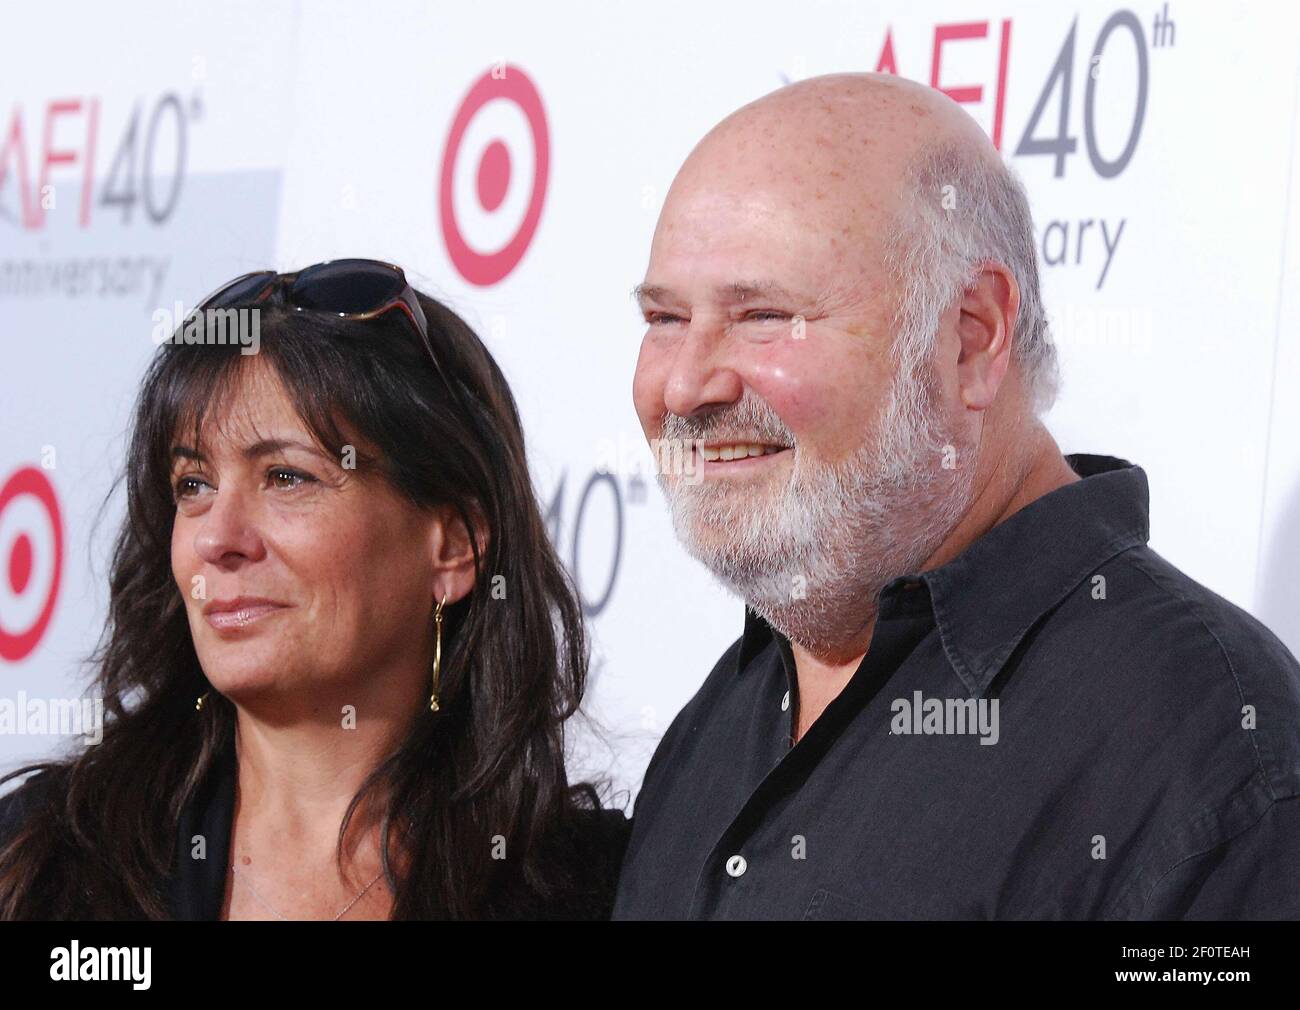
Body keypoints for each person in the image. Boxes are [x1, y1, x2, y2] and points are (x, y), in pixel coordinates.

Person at [615, 73, 1300, 919]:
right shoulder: (730, 709)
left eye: (763, 315)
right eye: (665, 320)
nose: (684, 386)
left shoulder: (1212, 755)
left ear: (971, 337)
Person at [0, 259, 628, 919]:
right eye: (195, 485)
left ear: (455, 547)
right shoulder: (47, 864)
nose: (219, 537)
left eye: (286, 478)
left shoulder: (594, 894)